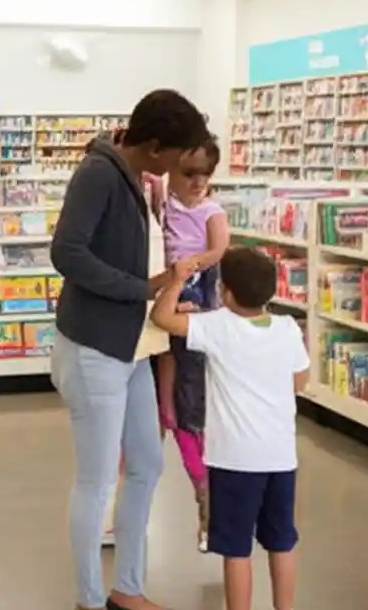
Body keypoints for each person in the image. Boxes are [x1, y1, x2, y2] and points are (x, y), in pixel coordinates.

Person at [50, 88, 210, 610]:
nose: (183, 167)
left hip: (134, 346)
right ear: (157, 147)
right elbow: (66, 252)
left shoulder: (139, 181)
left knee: (145, 463)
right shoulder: (99, 173)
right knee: (96, 481)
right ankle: (89, 599)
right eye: (180, 156)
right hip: (96, 345)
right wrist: (139, 288)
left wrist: (162, 294)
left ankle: (129, 588)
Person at [149, 247, 310, 610]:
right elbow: (299, 381)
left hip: (234, 460)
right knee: (282, 540)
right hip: (280, 456)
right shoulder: (287, 329)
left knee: (236, 548)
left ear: (225, 292)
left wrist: (176, 279)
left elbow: (162, 317)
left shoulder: (216, 325)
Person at [152, 139, 228, 552]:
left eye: (205, 174)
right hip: (164, 294)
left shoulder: (210, 210)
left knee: (184, 406)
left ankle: (207, 503)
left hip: (193, 294)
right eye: (189, 174)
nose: (198, 182)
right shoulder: (166, 203)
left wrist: (188, 269)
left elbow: (219, 248)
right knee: (166, 389)